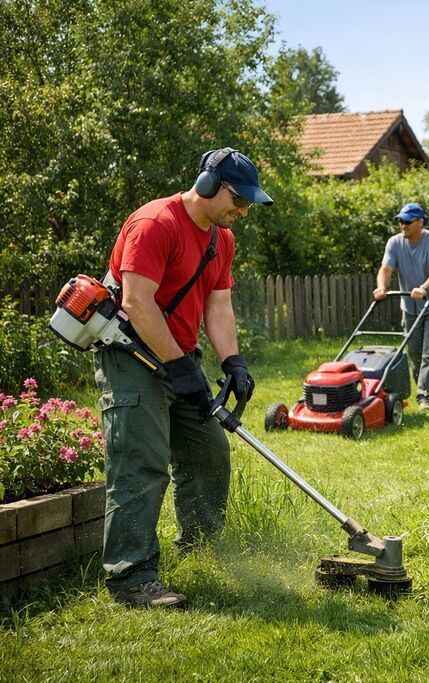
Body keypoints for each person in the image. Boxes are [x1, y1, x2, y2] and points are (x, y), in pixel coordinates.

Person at [96, 148, 272, 609]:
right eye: (239, 199)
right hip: (131, 357)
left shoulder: (221, 238)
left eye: (249, 202)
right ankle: (130, 577)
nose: (244, 210)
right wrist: (180, 367)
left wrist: (233, 362)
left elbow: (218, 306)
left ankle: (199, 553)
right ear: (210, 184)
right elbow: (137, 303)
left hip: (179, 360)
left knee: (209, 452)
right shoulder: (156, 223)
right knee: (142, 463)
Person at [373, 202, 429, 410]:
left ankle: (426, 396)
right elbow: (386, 269)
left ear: (420, 222)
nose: (402, 225)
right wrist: (381, 288)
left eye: (407, 221)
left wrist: (424, 287)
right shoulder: (395, 243)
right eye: (400, 221)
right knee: (415, 353)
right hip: (409, 306)